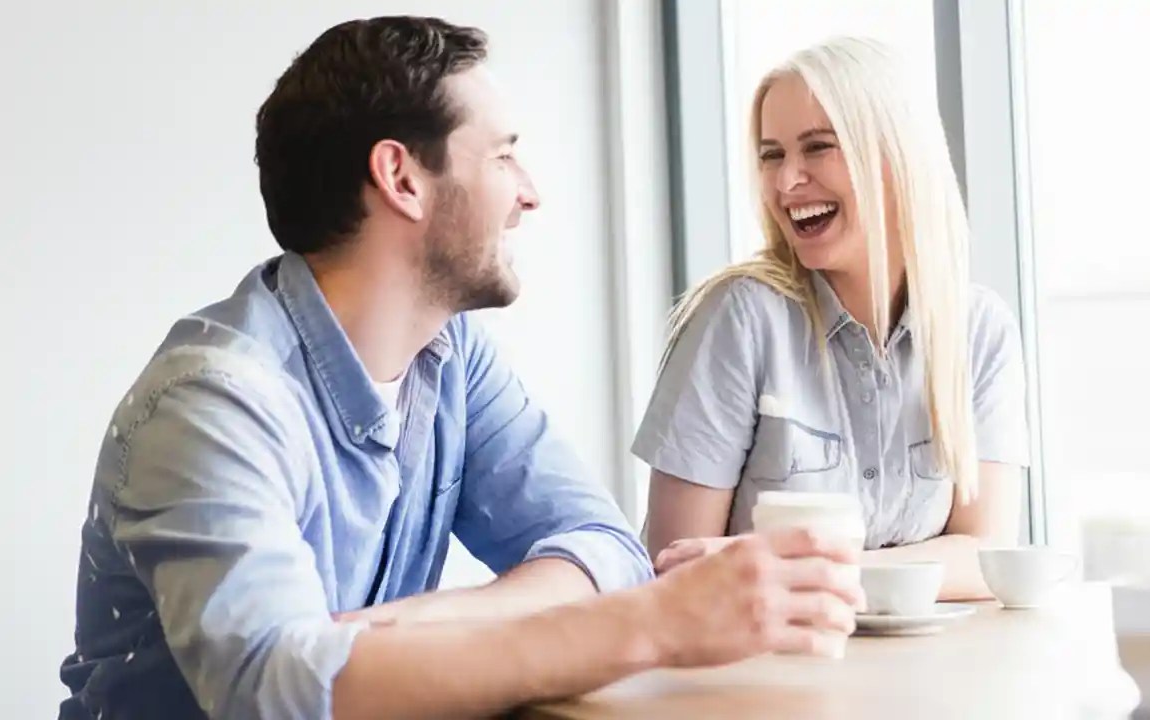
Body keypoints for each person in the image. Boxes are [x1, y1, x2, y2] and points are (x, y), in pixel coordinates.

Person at [58, 17, 863, 720]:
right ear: (401, 178)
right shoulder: (211, 399)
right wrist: (659, 625)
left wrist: (396, 628)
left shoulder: (451, 359)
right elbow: (280, 690)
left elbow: (604, 545)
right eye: (505, 156)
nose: (530, 194)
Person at [635, 37, 1030, 600]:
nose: (785, 182)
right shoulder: (741, 317)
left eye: (817, 148)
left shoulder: (981, 330)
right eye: (772, 154)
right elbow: (674, 570)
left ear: (895, 158)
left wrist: (806, 568)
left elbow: (987, 557)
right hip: (759, 679)